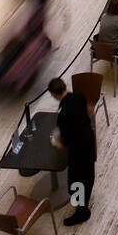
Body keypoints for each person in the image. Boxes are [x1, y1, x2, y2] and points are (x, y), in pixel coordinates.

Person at [48, 78, 96, 226]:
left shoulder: (62, 114)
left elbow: (65, 141)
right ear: (65, 86)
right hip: (89, 143)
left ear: (54, 95)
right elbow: (89, 110)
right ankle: (84, 202)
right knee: (88, 175)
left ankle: (82, 212)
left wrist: (58, 143)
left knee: (77, 181)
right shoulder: (79, 95)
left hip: (78, 151)